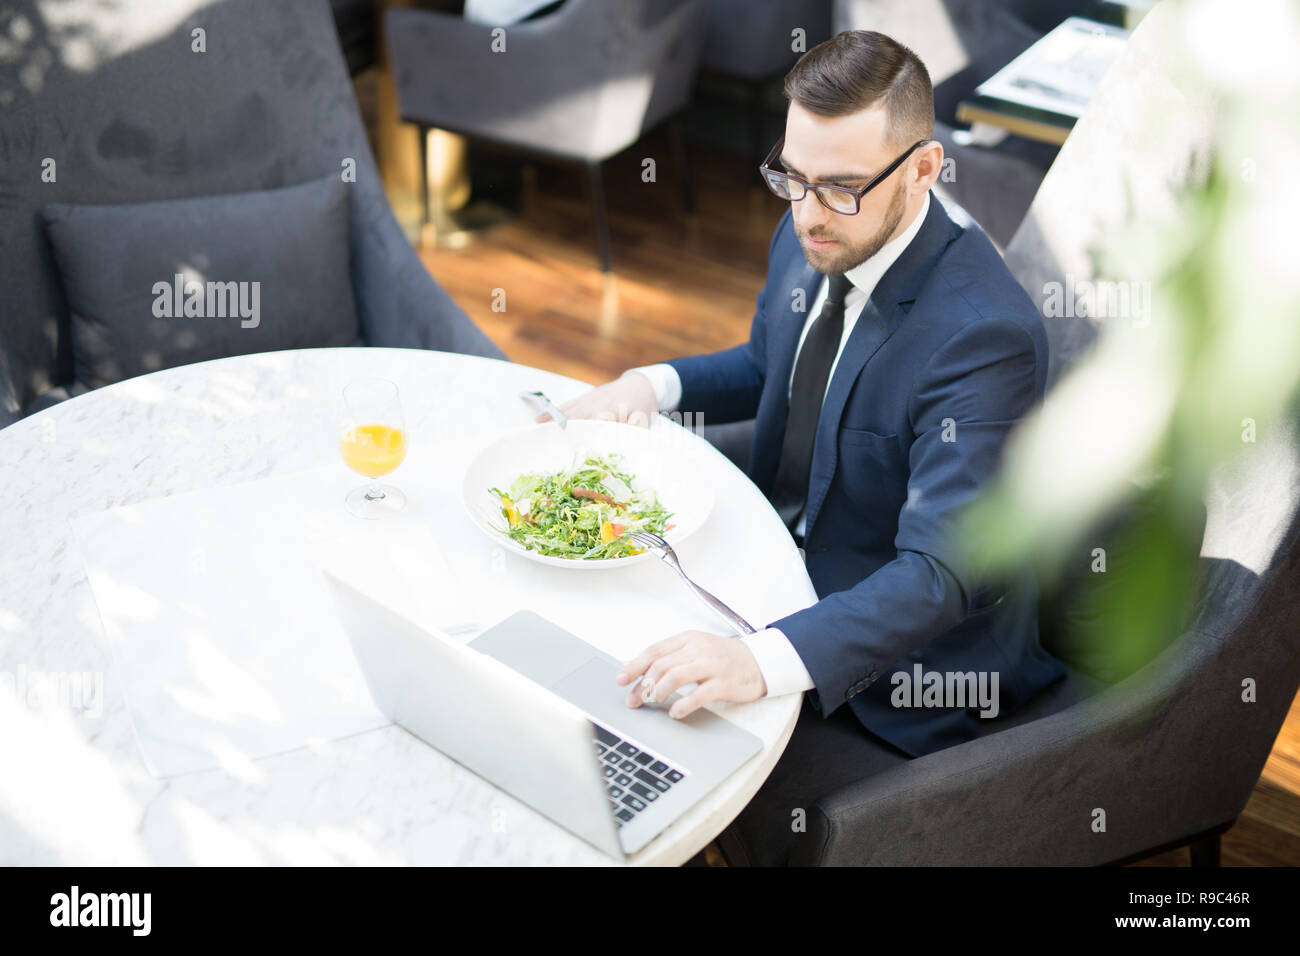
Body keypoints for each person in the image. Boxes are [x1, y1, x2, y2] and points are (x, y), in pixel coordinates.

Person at [540, 30, 1066, 865]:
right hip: (764, 570)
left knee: (638, 766)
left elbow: (940, 576)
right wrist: (650, 384)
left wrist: (755, 663)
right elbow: (770, 365)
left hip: (899, 672)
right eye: (791, 176)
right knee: (562, 667)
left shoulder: (982, 335)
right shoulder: (816, 226)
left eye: (843, 187)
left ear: (924, 170)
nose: (809, 213)